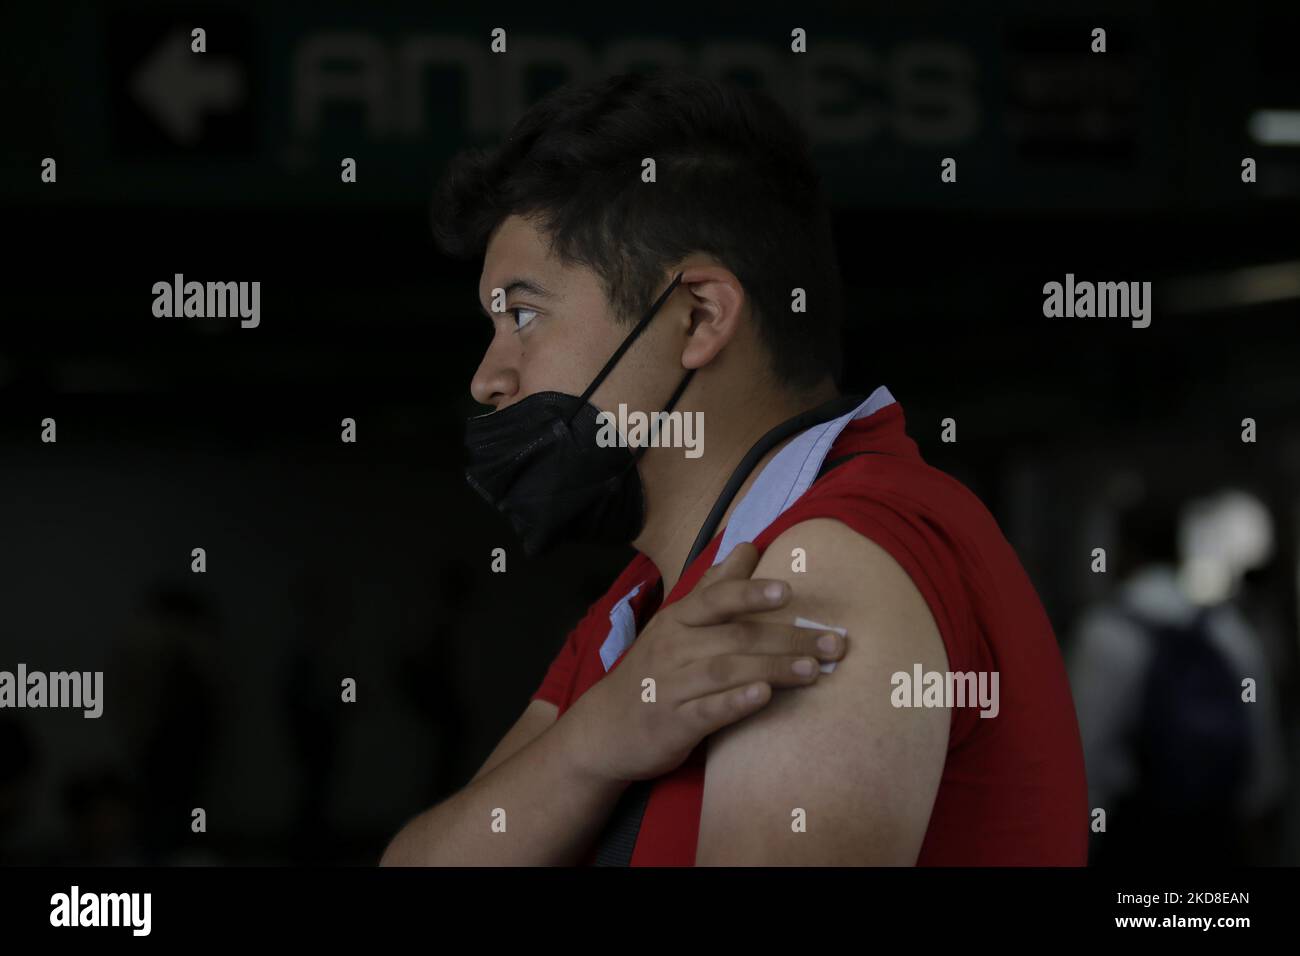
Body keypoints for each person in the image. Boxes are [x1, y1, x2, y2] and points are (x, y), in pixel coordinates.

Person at [381, 71, 1086, 866]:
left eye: (523, 315)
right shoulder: (647, 608)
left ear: (701, 317)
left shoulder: (821, 569)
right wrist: (595, 742)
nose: (489, 377)